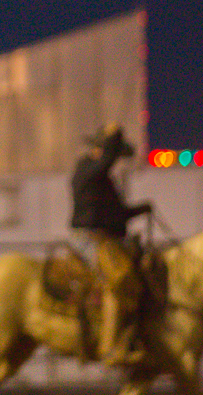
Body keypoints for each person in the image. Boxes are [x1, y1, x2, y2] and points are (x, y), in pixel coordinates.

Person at [70, 123, 152, 366]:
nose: (115, 161)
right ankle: (109, 347)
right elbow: (104, 163)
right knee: (117, 279)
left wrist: (141, 209)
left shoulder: (101, 178)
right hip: (89, 238)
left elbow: (117, 214)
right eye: (112, 154)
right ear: (101, 150)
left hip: (107, 240)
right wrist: (114, 136)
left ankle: (132, 336)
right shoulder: (87, 169)